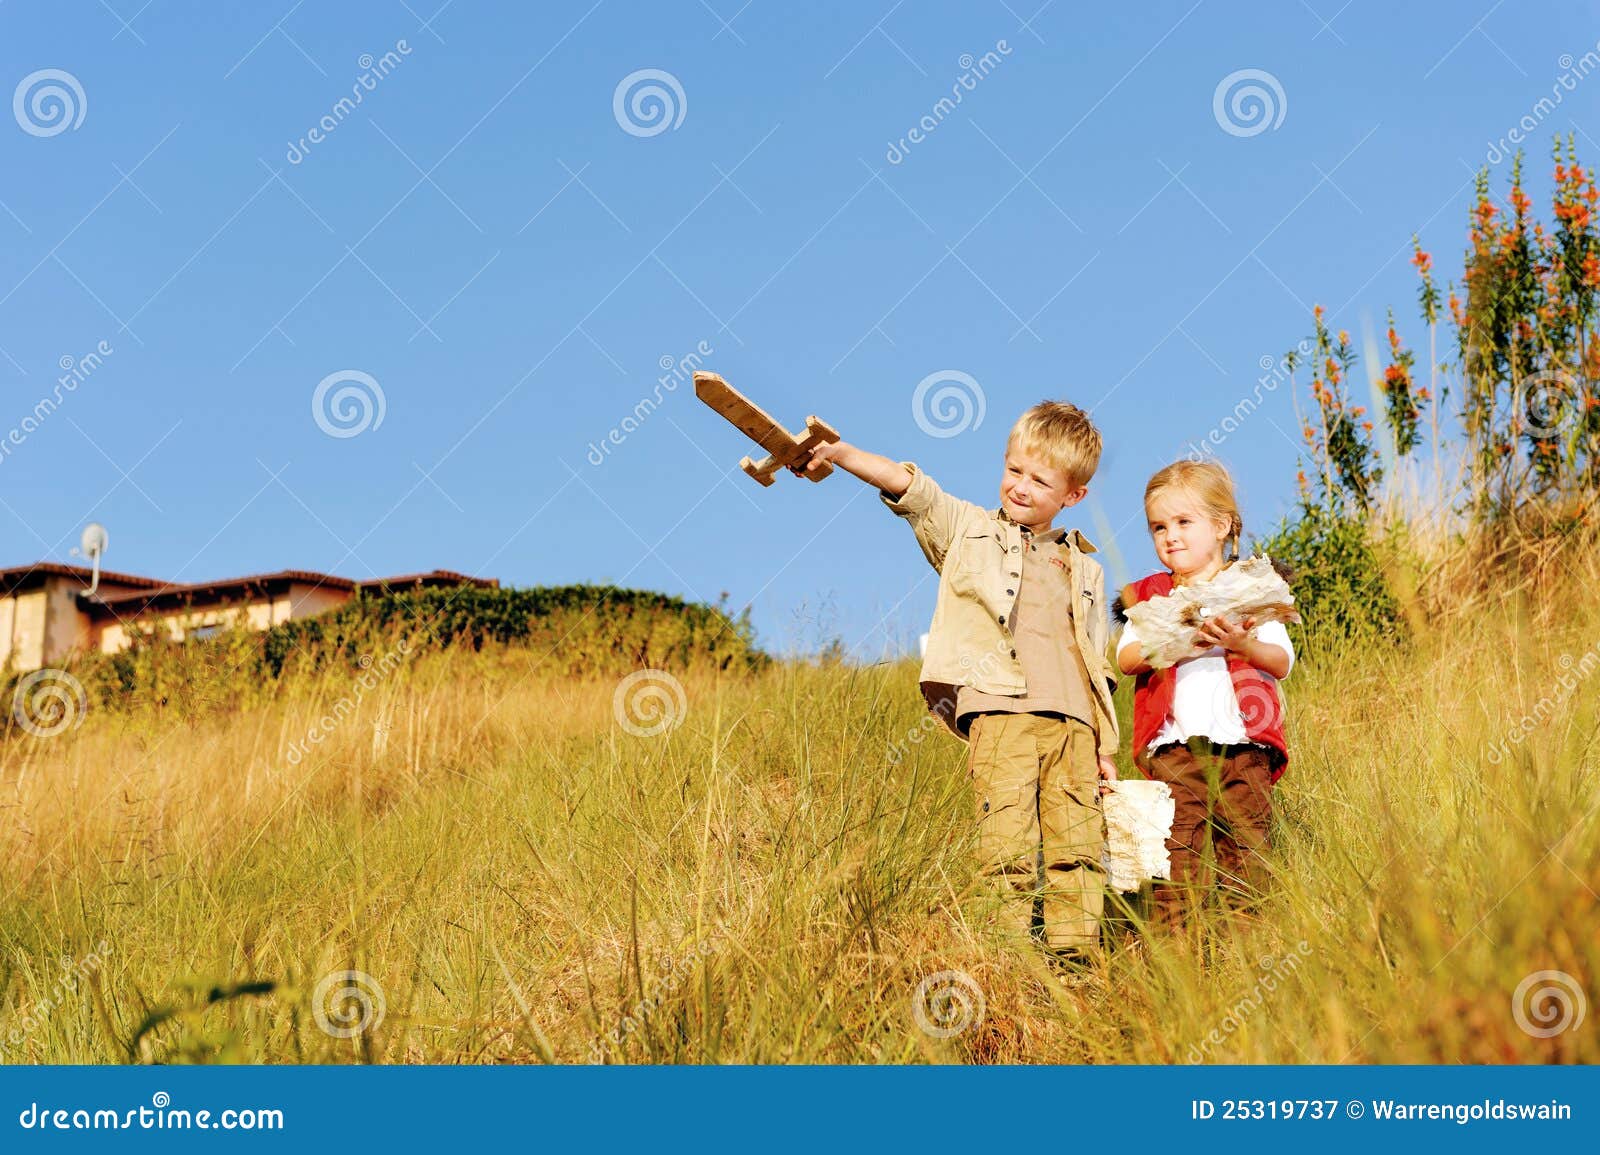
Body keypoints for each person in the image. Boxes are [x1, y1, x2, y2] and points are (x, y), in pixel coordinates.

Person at [790, 401, 1119, 955]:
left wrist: (1104, 745)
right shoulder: (967, 530)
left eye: (1040, 480)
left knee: (1079, 851)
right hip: (1001, 712)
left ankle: (1074, 964)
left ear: (1073, 495)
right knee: (1006, 847)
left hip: (1075, 728)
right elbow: (910, 487)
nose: (1020, 486)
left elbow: (1097, 661)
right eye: (1014, 469)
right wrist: (840, 453)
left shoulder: (1086, 567)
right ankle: (1006, 960)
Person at [1115, 460, 1293, 929]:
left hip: (1244, 749)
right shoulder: (1151, 598)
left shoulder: (1252, 588)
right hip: (1175, 752)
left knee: (1248, 857)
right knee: (1176, 857)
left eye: (1183, 522)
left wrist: (1241, 643)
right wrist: (1179, 638)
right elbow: (1128, 658)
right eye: (1158, 526)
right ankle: (1178, 970)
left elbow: (1281, 662)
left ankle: (1247, 958)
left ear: (1221, 525)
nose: (1169, 536)